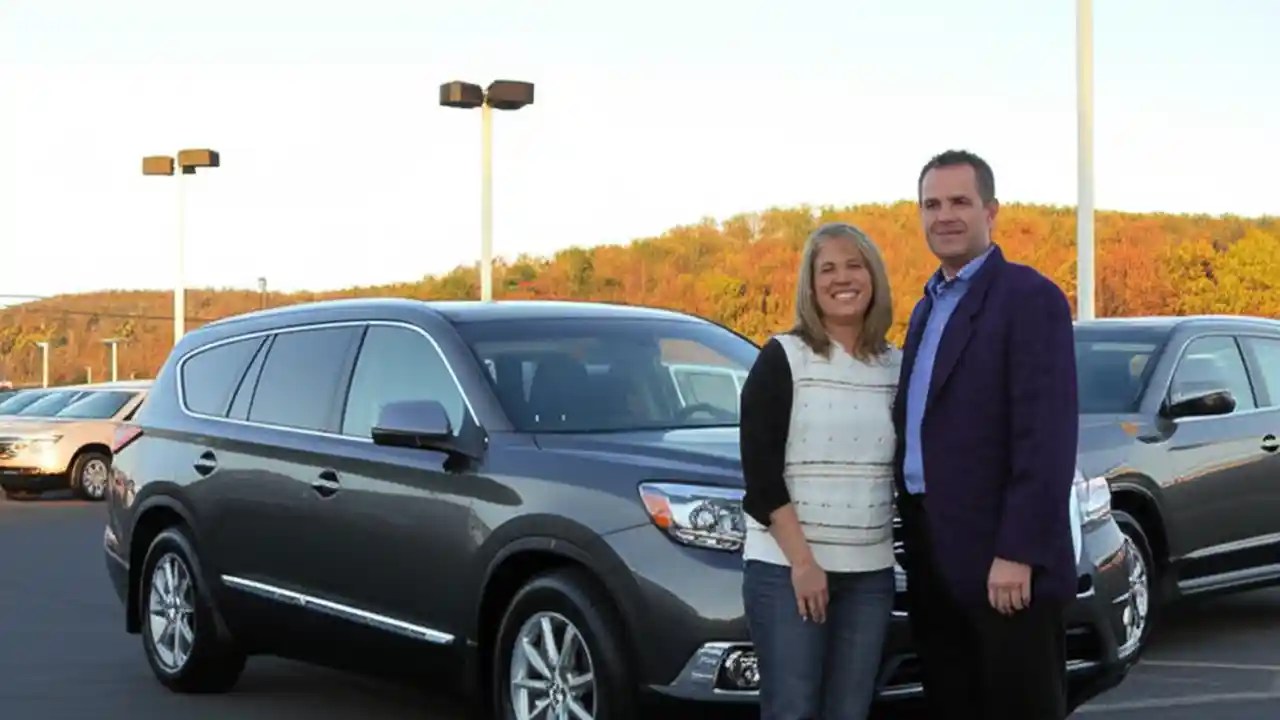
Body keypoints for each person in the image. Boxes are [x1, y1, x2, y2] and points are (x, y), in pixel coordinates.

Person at [893, 149, 1079, 720]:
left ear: (991, 211)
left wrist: (1017, 552)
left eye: (959, 202)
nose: (943, 215)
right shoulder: (926, 308)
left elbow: (1045, 438)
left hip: (1002, 560)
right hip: (932, 552)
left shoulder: (1028, 299)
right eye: (931, 204)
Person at [739, 222, 900, 720]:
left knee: (850, 712)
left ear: (873, 277)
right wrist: (803, 564)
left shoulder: (897, 366)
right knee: (793, 710)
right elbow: (761, 476)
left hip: (870, 576)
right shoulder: (782, 358)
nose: (842, 278)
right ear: (810, 286)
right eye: (826, 268)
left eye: (855, 265)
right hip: (788, 570)